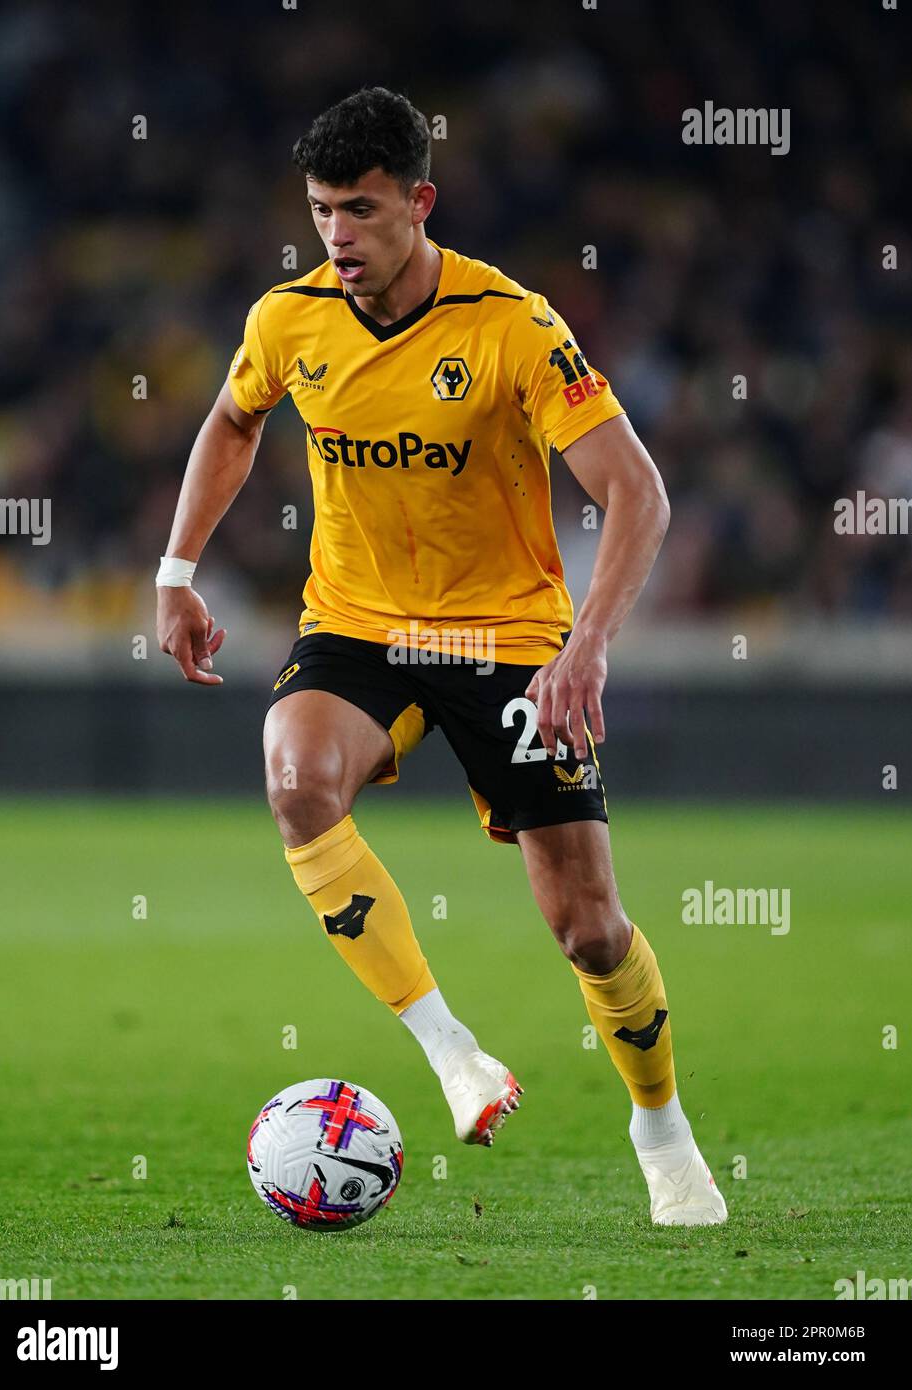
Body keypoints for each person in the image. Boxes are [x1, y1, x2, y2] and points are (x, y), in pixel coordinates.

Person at [157, 86, 726, 1226]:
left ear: (420, 201)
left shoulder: (511, 324)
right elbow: (232, 418)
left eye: (361, 211)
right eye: (321, 212)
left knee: (588, 927)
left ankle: (659, 1122)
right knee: (296, 780)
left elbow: (637, 493)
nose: (338, 237)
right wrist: (177, 572)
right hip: (359, 624)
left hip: (507, 636)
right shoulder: (290, 318)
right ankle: (453, 1049)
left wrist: (587, 648)